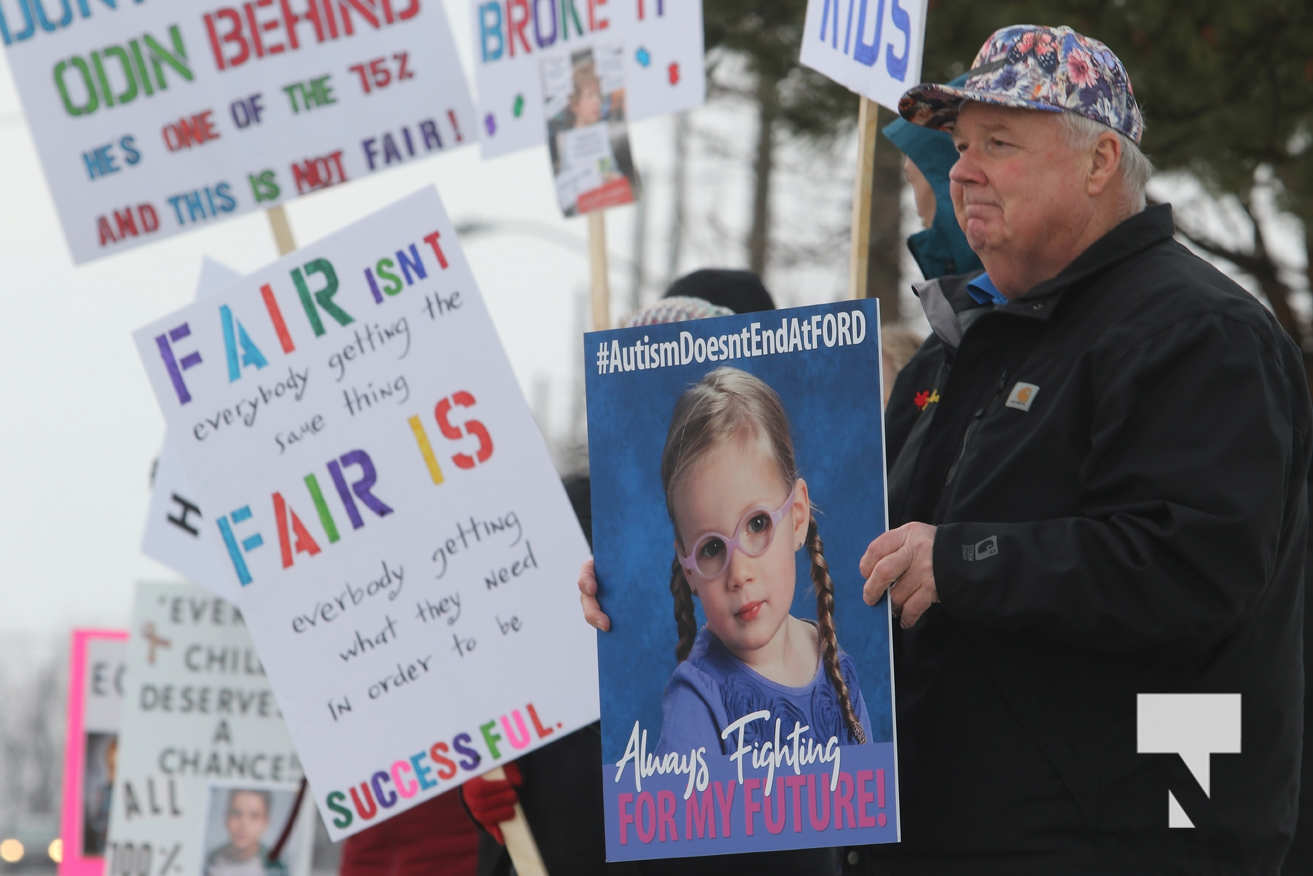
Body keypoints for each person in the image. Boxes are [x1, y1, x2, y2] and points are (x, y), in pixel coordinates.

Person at [853, 23, 1309, 874]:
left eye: (999, 142)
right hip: (941, 831)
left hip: (1122, 837)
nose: (962, 169)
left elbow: (1195, 565)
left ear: (1101, 163)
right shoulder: (957, 343)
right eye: (957, 144)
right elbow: (865, 548)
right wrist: (656, 580)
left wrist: (963, 562)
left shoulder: (1195, 331)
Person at [655, 367, 871, 755]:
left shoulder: (837, 668)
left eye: (757, 524)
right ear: (688, 567)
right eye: (711, 548)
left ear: (798, 516)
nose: (739, 574)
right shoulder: (696, 702)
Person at [204, 789, 286, 876]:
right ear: (226, 818)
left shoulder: (276, 868)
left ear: (265, 822)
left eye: (254, 816)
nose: (243, 825)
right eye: (236, 813)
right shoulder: (209, 861)